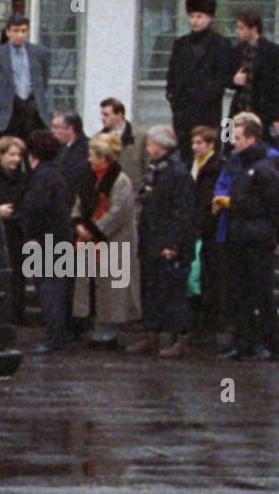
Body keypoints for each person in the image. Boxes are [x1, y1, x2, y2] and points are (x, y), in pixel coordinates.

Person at [126, 124, 196, 357]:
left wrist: (174, 244)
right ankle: (152, 333)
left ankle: (180, 337)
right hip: (151, 238)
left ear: (160, 145)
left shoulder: (177, 173)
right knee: (152, 289)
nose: (147, 148)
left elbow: (183, 213)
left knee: (173, 292)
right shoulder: (155, 170)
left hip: (167, 241)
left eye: (150, 143)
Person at [217, 113, 279, 359]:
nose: (234, 142)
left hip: (257, 238)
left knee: (261, 293)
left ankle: (269, 344)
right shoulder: (240, 164)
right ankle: (245, 342)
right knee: (240, 292)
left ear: (252, 138)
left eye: (239, 137)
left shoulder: (265, 167)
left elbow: (274, 206)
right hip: (239, 235)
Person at [70, 132, 138, 350]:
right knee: (93, 286)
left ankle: (109, 330)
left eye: (92, 154)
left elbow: (118, 212)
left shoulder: (120, 181)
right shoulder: (89, 178)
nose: (89, 158)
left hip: (113, 241)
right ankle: (97, 326)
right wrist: (79, 224)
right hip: (91, 240)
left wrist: (93, 230)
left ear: (103, 157)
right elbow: (79, 204)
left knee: (111, 289)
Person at [17, 130, 73, 353]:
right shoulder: (55, 175)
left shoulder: (41, 177)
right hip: (58, 239)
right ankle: (58, 335)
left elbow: (35, 208)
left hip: (45, 241)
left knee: (49, 292)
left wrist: (30, 233)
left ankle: (54, 338)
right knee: (55, 290)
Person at [165, 0, 233, 159]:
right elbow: (172, 73)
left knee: (208, 150)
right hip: (183, 109)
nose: (195, 21)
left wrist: (208, 95)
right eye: (192, 16)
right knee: (184, 150)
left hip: (207, 109)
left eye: (199, 16)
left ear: (209, 18)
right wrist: (172, 96)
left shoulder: (221, 44)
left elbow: (223, 76)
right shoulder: (180, 44)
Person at [187, 125, 226, 339]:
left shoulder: (217, 167)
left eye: (199, 143)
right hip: (195, 226)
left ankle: (211, 320)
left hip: (208, 228)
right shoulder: (192, 165)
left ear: (211, 145)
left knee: (210, 274)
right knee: (195, 275)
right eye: (193, 142)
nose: (195, 147)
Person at [0, 14, 48, 141]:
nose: (20, 35)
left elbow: (43, 80)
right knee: (8, 147)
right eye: (16, 31)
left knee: (33, 146)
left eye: (23, 31)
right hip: (9, 110)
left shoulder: (39, 52)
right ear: (8, 32)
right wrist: (2, 102)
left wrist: (35, 99)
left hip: (32, 108)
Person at [0, 135, 28, 323]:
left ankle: (16, 314)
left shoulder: (23, 179)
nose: (16, 159)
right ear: (1, 155)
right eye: (12, 154)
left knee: (17, 274)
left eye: (19, 155)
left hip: (16, 233)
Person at [228, 10, 279, 138]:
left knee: (261, 142)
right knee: (228, 138)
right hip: (238, 106)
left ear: (254, 29)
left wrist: (276, 117)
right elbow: (225, 78)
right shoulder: (236, 51)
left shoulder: (272, 52)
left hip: (261, 109)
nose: (238, 31)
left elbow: (275, 86)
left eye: (241, 28)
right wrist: (234, 80)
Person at [98, 97, 146, 188]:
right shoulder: (98, 138)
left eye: (106, 115)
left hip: (133, 190)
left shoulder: (140, 137)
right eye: (102, 114)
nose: (102, 118)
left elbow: (147, 165)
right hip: (108, 190)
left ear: (119, 115)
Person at [51, 112, 93, 206]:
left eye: (56, 127)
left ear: (70, 128)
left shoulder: (86, 149)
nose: (52, 131)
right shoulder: (60, 148)